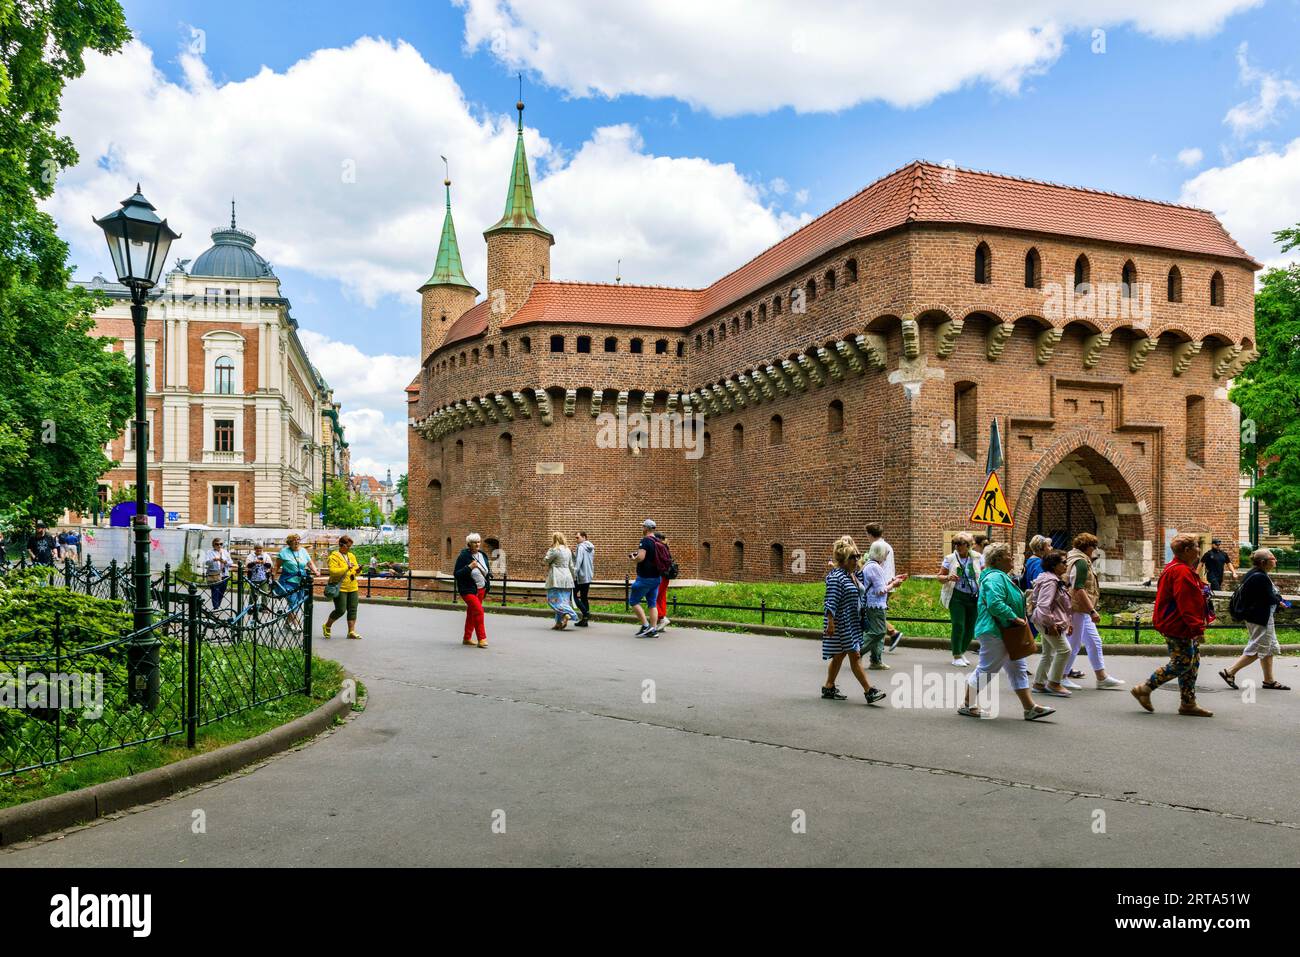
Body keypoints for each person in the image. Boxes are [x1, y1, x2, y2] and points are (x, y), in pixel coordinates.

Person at [958, 542, 1056, 721]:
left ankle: (1029, 707)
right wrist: (1014, 618)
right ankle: (967, 703)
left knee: (1018, 668)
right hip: (996, 631)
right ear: (997, 560)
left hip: (1004, 630)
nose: (1011, 557)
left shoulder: (1000, 576)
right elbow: (995, 603)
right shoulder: (994, 578)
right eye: (1008, 555)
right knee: (987, 668)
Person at [1131, 533, 1215, 717]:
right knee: (1182, 662)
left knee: (1192, 661)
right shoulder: (1181, 571)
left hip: (1178, 623)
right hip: (1178, 624)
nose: (1199, 550)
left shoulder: (1178, 567)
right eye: (1196, 546)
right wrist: (1197, 628)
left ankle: (1188, 702)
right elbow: (1187, 603)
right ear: (1187, 550)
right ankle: (1144, 688)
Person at [821, 535, 887, 706]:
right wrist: (830, 622)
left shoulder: (852, 575)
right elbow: (831, 600)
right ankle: (869, 690)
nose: (856, 560)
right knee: (855, 655)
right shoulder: (837, 577)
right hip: (841, 622)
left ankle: (828, 686)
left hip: (852, 621)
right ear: (843, 560)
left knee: (839, 655)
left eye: (857, 557)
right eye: (852, 557)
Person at [1220, 548, 1290, 692]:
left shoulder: (1255, 573)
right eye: (1273, 558)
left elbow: (1263, 595)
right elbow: (1267, 597)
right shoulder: (1260, 576)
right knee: (1259, 648)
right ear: (1264, 562)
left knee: (1268, 647)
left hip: (1258, 616)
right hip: (1259, 618)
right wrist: (1279, 601)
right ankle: (1230, 672)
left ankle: (1269, 680)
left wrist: (1277, 600)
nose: (1275, 560)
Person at [1063, 533, 1124, 690]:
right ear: (1089, 548)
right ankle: (1060, 676)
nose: (1095, 550)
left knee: (1094, 641)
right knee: (1073, 643)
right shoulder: (1081, 563)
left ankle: (1101, 677)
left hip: (1080, 609)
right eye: (1094, 547)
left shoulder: (1073, 557)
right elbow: (1078, 588)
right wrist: (1092, 611)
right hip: (1078, 608)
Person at [1029, 551, 1074, 698]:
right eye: (1063, 562)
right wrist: (1050, 625)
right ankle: (1054, 683)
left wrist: (1068, 622)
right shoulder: (1051, 581)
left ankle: (1039, 683)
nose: (1066, 565)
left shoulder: (1051, 578)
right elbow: (1044, 606)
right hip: (1047, 622)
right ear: (1054, 566)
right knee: (1065, 650)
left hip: (1044, 621)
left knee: (1048, 653)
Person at [860, 538, 907, 669]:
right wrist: (894, 584)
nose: (887, 556)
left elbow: (877, 585)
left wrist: (892, 580)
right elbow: (881, 591)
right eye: (886, 553)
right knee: (879, 632)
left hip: (871, 603)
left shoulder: (870, 565)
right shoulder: (876, 567)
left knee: (877, 633)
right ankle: (857, 652)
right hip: (875, 604)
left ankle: (876, 660)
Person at [939, 532, 979, 667]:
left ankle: (961, 652)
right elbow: (939, 577)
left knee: (971, 627)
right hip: (956, 596)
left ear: (968, 545)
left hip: (974, 596)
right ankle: (956, 655)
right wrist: (948, 578)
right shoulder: (950, 558)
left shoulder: (977, 558)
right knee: (959, 625)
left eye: (960, 544)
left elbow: (984, 574)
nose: (957, 546)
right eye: (955, 543)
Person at [863, 523, 905, 651]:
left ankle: (888, 636)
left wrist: (889, 583)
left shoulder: (877, 547)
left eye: (867, 534)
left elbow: (880, 571)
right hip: (886, 583)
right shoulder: (887, 546)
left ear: (870, 534)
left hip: (880, 587)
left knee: (877, 617)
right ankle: (880, 646)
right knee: (879, 616)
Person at [626, 519, 662, 638]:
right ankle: (653, 629)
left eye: (643, 527)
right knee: (652, 604)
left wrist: (633, 558)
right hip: (656, 577)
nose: (642, 529)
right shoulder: (658, 541)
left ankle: (646, 625)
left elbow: (641, 557)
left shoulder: (645, 541)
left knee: (633, 601)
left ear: (646, 528)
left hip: (645, 577)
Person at [453, 532, 490, 647]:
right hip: (468, 590)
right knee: (479, 611)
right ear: (469, 544)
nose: (477, 544)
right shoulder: (463, 557)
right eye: (474, 542)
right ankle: (482, 639)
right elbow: (457, 574)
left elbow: (486, 570)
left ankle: (467, 638)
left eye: (478, 542)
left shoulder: (483, 555)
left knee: (471, 613)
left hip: (481, 588)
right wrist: (469, 567)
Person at [274, 534, 318, 625]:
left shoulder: (303, 551)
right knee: (293, 601)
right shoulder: (284, 552)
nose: (297, 541)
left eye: (298, 540)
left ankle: (287, 623)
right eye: (294, 540)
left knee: (298, 603)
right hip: (288, 581)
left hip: (301, 581)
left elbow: (310, 563)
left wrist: (316, 571)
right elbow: (277, 566)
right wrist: (273, 577)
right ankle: (296, 624)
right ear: (290, 542)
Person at [323, 535, 361, 639]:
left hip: (352, 586)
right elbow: (333, 572)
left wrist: (358, 570)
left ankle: (351, 632)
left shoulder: (351, 556)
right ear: (341, 545)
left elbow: (354, 570)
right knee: (341, 610)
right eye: (348, 546)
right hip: (340, 587)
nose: (349, 548)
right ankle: (327, 625)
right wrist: (346, 568)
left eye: (350, 546)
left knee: (353, 609)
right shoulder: (334, 557)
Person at [544, 533, 580, 630]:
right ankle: (559, 623)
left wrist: (549, 552)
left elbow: (546, 560)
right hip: (567, 577)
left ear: (554, 539)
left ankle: (568, 613)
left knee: (552, 599)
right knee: (564, 600)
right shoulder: (567, 550)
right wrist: (573, 577)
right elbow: (571, 566)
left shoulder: (554, 550)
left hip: (556, 577)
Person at [245, 543, 274, 616]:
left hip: (263, 577)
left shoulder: (266, 555)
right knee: (253, 593)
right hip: (253, 577)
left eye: (260, 549)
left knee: (264, 592)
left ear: (262, 549)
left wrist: (264, 563)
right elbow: (248, 565)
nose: (259, 550)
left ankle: (264, 607)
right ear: (255, 549)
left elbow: (270, 565)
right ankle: (251, 607)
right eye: (257, 549)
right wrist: (254, 562)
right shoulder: (251, 556)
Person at [573, 531, 595, 626]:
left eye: (577, 537)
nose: (576, 539)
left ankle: (586, 613)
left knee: (573, 595)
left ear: (584, 537)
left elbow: (579, 561)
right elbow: (582, 558)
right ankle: (585, 621)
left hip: (581, 576)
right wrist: (573, 553)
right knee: (584, 597)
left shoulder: (581, 547)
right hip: (588, 575)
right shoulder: (590, 547)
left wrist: (574, 573)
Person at [204, 537, 233, 610]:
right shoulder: (209, 552)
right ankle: (216, 608)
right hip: (214, 574)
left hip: (224, 574)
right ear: (213, 545)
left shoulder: (225, 552)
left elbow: (231, 562)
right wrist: (213, 560)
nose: (219, 545)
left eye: (221, 544)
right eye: (217, 544)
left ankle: (217, 606)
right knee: (215, 591)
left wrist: (225, 562)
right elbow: (206, 562)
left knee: (222, 591)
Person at [653, 530, 674, 629]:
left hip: (661, 575)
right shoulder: (665, 547)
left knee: (654, 597)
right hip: (666, 576)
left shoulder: (658, 546)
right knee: (661, 597)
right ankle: (661, 621)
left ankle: (662, 618)